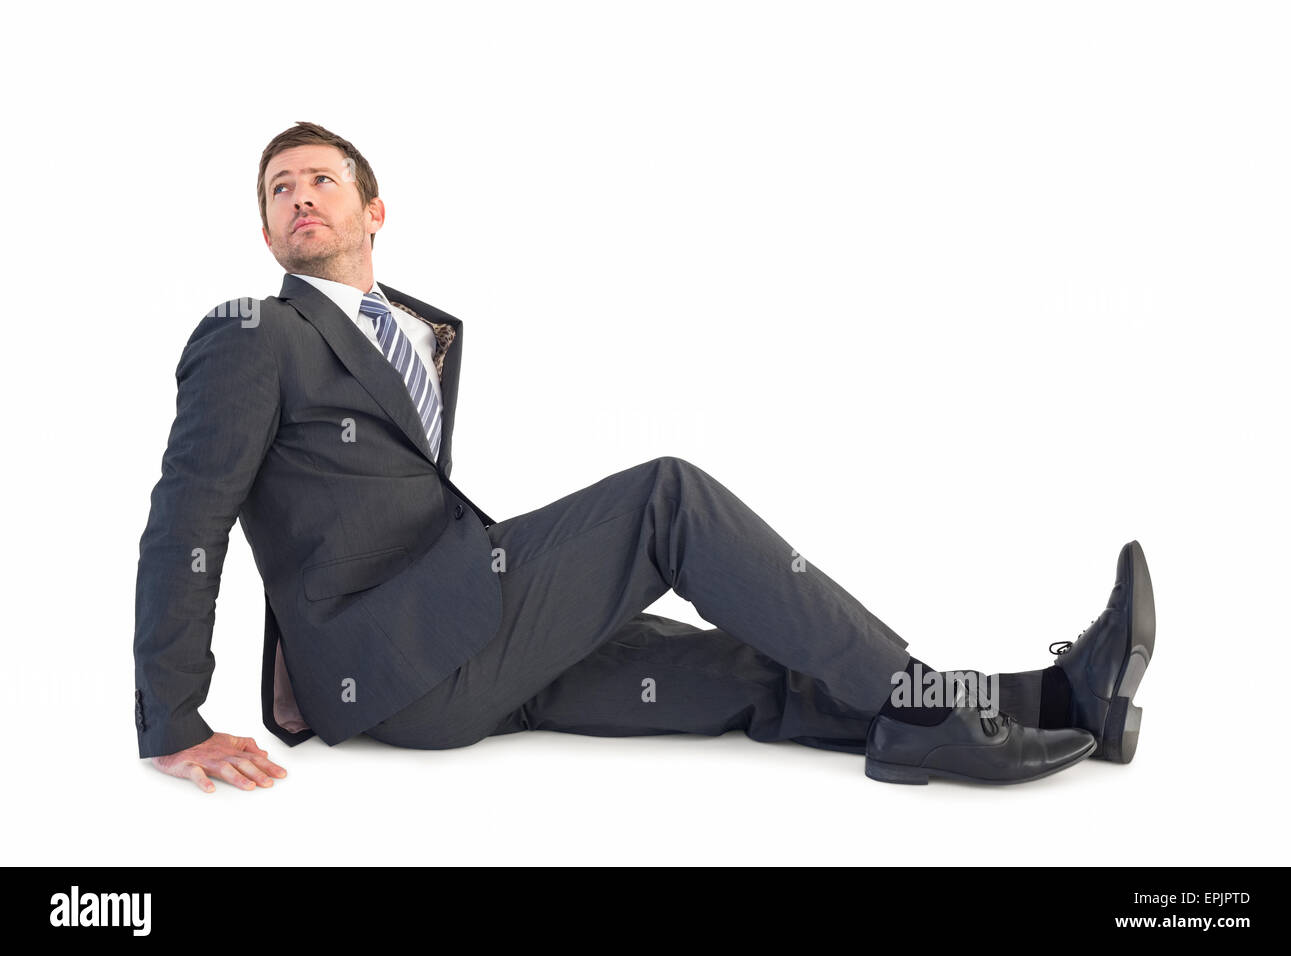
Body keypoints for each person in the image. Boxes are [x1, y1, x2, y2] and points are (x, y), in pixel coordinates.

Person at [135, 121, 1157, 792]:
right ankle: (926, 705)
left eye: (321, 179)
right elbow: (188, 518)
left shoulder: (413, 328)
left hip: (473, 643)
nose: (300, 196)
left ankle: (1062, 703)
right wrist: (173, 715)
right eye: (278, 189)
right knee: (667, 498)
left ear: (373, 211)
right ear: (267, 231)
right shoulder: (248, 332)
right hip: (398, 661)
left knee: (755, 663)